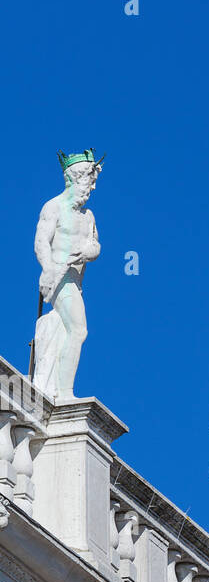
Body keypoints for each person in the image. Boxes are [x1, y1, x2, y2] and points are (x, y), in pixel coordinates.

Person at [33, 150, 102, 400]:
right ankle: (64, 393)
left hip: (75, 281)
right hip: (60, 279)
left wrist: (90, 251)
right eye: (89, 181)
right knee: (78, 330)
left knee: (65, 330)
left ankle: (56, 388)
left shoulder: (88, 217)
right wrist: (49, 269)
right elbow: (41, 241)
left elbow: (95, 244)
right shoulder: (54, 207)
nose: (92, 187)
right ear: (74, 178)